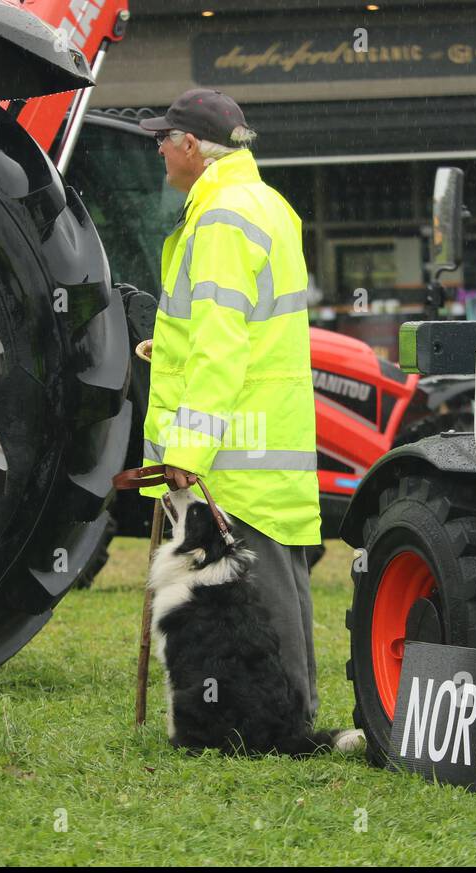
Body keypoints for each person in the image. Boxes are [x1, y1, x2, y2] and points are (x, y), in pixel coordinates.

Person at [137, 89, 333, 730]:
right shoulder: (265, 204)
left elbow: (222, 346)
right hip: (268, 431)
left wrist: (184, 452)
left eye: (164, 139)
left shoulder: (220, 218)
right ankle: (290, 718)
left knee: (257, 591)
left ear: (191, 146)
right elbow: (233, 327)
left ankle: (283, 727)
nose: (160, 151)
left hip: (237, 442)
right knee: (282, 585)